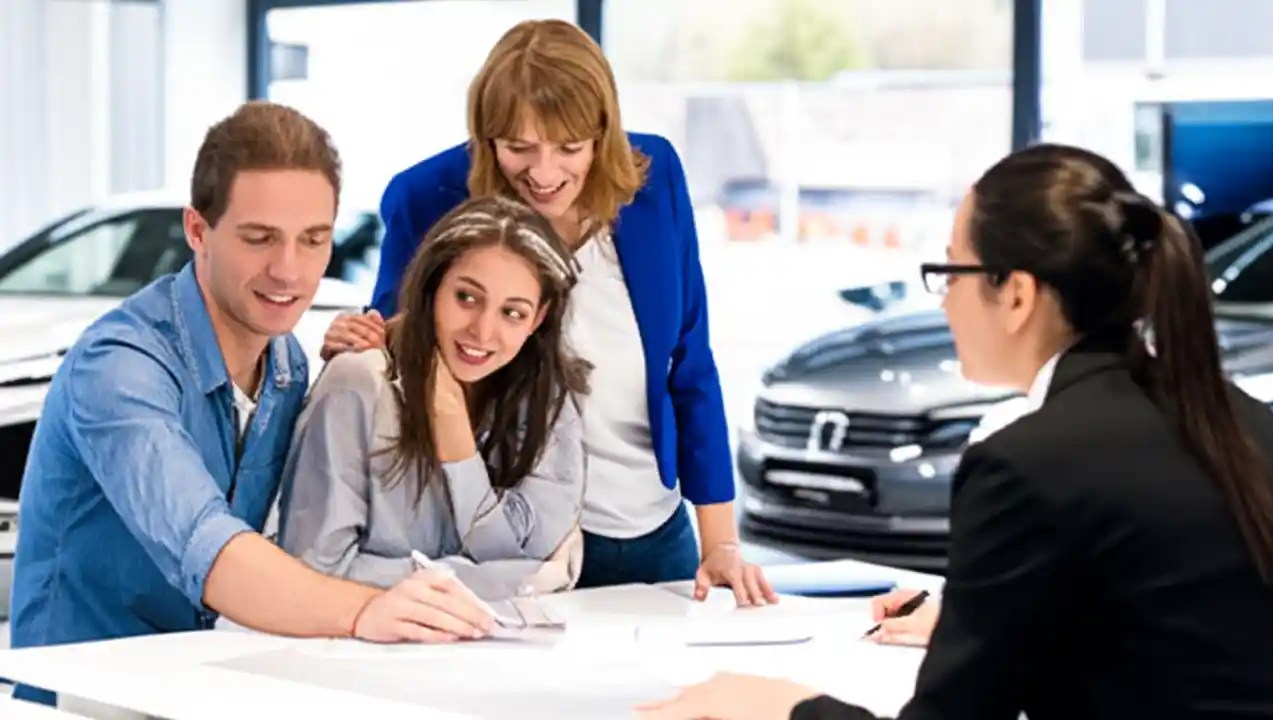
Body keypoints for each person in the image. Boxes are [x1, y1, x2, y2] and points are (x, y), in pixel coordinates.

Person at [635, 143, 1273, 719]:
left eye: (951, 273)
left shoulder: (1026, 462)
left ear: (1017, 295)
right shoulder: (1239, 422)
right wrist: (983, 620)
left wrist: (783, 708)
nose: (941, 300)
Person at [9, 102, 495, 707]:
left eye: (313, 240)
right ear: (197, 231)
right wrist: (369, 609)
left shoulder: (288, 364)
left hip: (195, 687)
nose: (288, 270)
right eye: (259, 238)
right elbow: (212, 550)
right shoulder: (120, 364)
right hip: (82, 698)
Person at [323, 19, 777, 606]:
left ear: (603, 135)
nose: (543, 172)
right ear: (486, 138)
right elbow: (401, 357)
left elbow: (690, 365)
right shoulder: (430, 197)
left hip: (655, 529)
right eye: (518, 147)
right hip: (516, 543)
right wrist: (358, 338)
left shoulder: (654, 180)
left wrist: (721, 544)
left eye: (569, 148)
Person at [277, 196, 590, 603]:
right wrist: (499, 580)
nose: (482, 331)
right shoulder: (359, 383)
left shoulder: (547, 396)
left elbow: (526, 551)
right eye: (466, 297)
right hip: (368, 653)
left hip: (497, 654)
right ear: (433, 287)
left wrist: (454, 432)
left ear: (538, 318)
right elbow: (318, 571)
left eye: (512, 313)